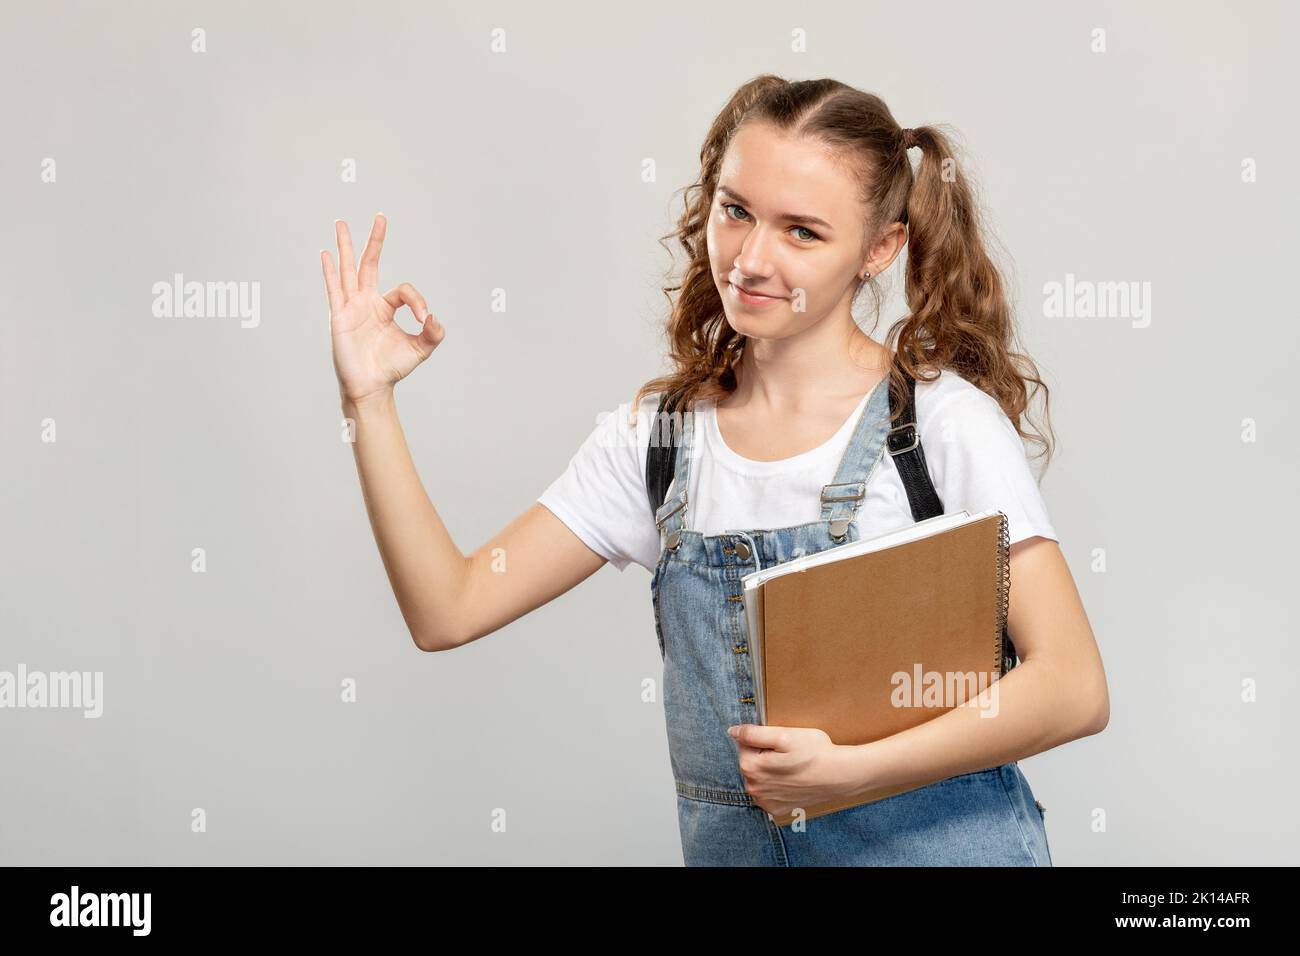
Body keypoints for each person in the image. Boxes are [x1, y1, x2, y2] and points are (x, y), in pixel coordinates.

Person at [319, 74, 1108, 867]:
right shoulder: (657, 443)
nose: (751, 259)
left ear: (880, 249)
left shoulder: (938, 425)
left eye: (803, 232)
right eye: (736, 212)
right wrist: (370, 398)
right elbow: (446, 610)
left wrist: (853, 773)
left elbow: (1073, 686)